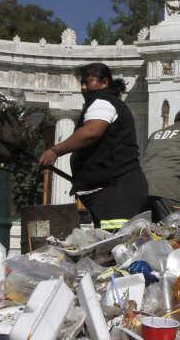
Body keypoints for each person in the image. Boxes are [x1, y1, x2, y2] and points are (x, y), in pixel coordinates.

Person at [40, 63, 148, 230]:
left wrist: (55, 151)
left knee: (117, 244)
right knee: (111, 244)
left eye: (87, 82)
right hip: (113, 192)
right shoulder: (107, 102)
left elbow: (92, 132)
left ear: (104, 82)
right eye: (81, 83)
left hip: (115, 193)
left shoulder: (102, 102)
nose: (83, 88)